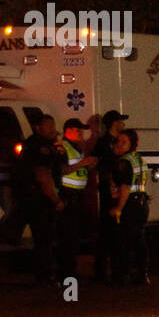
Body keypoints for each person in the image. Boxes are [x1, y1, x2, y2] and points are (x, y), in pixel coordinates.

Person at [0, 113, 63, 284]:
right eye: (48, 126)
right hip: (39, 199)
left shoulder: (45, 145)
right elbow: (43, 176)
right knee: (44, 239)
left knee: (40, 237)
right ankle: (45, 276)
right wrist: (56, 199)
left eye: (53, 125)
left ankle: (41, 273)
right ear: (38, 128)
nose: (53, 129)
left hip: (32, 198)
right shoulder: (39, 147)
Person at [55, 118, 98, 282]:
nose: (81, 133)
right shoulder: (62, 148)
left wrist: (88, 165)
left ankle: (70, 272)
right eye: (78, 130)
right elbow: (63, 170)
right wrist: (84, 163)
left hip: (77, 197)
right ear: (68, 131)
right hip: (67, 196)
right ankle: (66, 275)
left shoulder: (75, 149)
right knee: (67, 238)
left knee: (73, 238)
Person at [93, 110, 129, 282]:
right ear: (114, 123)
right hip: (109, 194)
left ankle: (116, 270)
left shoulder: (117, 141)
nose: (123, 124)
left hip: (116, 193)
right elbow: (100, 167)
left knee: (116, 234)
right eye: (120, 121)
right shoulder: (103, 144)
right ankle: (106, 272)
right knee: (109, 233)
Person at [113, 128, 150, 285]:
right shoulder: (139, 159)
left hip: (131, 205)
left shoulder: (125, 162)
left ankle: (124, 275)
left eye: (124, 142)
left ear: (132, 144)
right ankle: (142, 274)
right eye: (118, 141)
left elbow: (126, 187)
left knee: (125, 241)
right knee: (139, 240)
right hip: (142, 203)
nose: (119, 144)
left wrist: (119, 208)